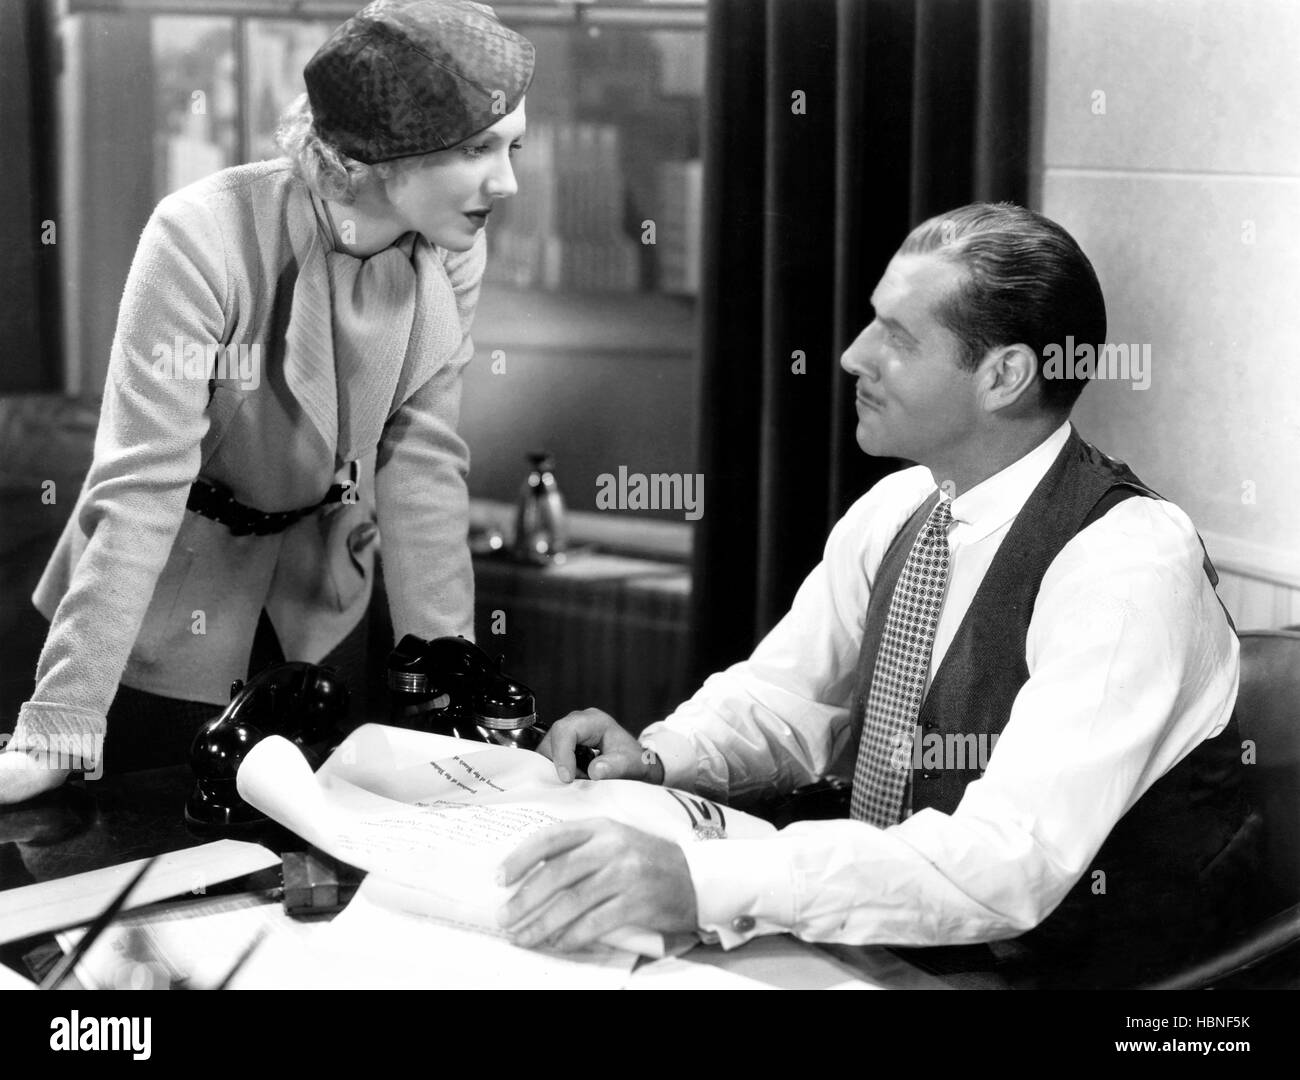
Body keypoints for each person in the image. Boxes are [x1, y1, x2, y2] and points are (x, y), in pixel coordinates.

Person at [498, 202, 1261, 987]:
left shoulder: (1127, 565)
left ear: (1004, 376)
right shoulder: (899, 508)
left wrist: (704, 883)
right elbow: (787, 700)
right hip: (899, 951)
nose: (853, 355)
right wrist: (659, 758)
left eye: (896, 337)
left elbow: (1010, 863)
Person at [0, 0, 534, 803]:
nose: (508, 181)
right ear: (378, 156)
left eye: (512, 146)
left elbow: (421, 464)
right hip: (148, 617)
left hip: (318, 607)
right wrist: (67, 714)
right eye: (475, 149)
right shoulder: (199, 235)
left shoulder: (453, 244)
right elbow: (142, 481)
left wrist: (447, 684)